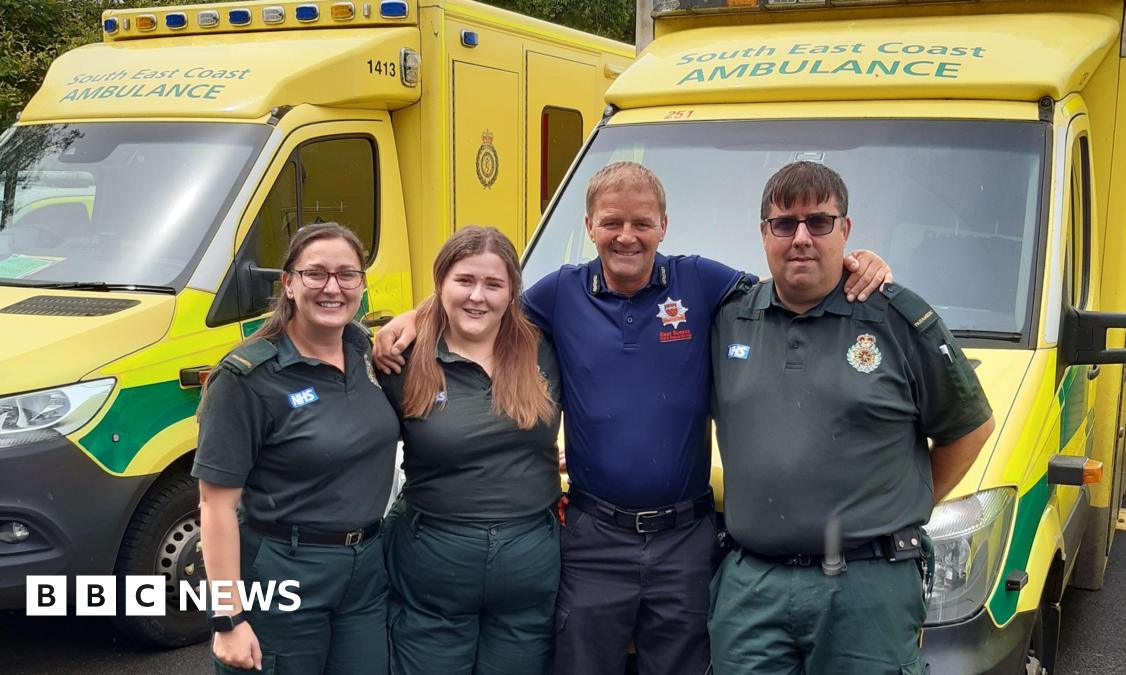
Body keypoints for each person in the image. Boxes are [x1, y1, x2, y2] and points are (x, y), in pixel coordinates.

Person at [374, 162, 891, 675]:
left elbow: (784, 285)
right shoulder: (559, 293)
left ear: (663, 226)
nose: (627, 236)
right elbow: (485, 300)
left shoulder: (701, 281)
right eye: (612, 222)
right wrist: (416, 316)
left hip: (684, 538)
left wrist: (853, 261)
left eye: (642, 223)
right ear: (590, 227)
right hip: (593, 536)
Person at [708, 161, 995, 674]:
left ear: (846, 231)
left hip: (868, 587)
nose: (801, 238)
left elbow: (970, 427)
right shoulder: (728, 318)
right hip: (751, 586)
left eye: (819, 222)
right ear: (763, 233)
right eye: (784, 223)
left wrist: (912, 503)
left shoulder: (898, 319)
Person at [194, 222, 397, 674]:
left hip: (365, 572)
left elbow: (450, 303)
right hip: (284, 570)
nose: (333, 287)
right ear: (288, 283)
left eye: (347, 275)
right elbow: (215, 507)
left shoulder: (364, 351)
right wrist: (227, 618)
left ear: (362, 285)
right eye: (315, 274)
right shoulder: (248, 378)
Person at [379, 226, 562, 674]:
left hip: (528, 564)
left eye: (493, 284)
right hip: (433, 564)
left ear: (512, 291)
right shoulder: (401, 358)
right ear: (440, 283)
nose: (477, 296)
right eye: (464, 281)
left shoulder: (544, 348)